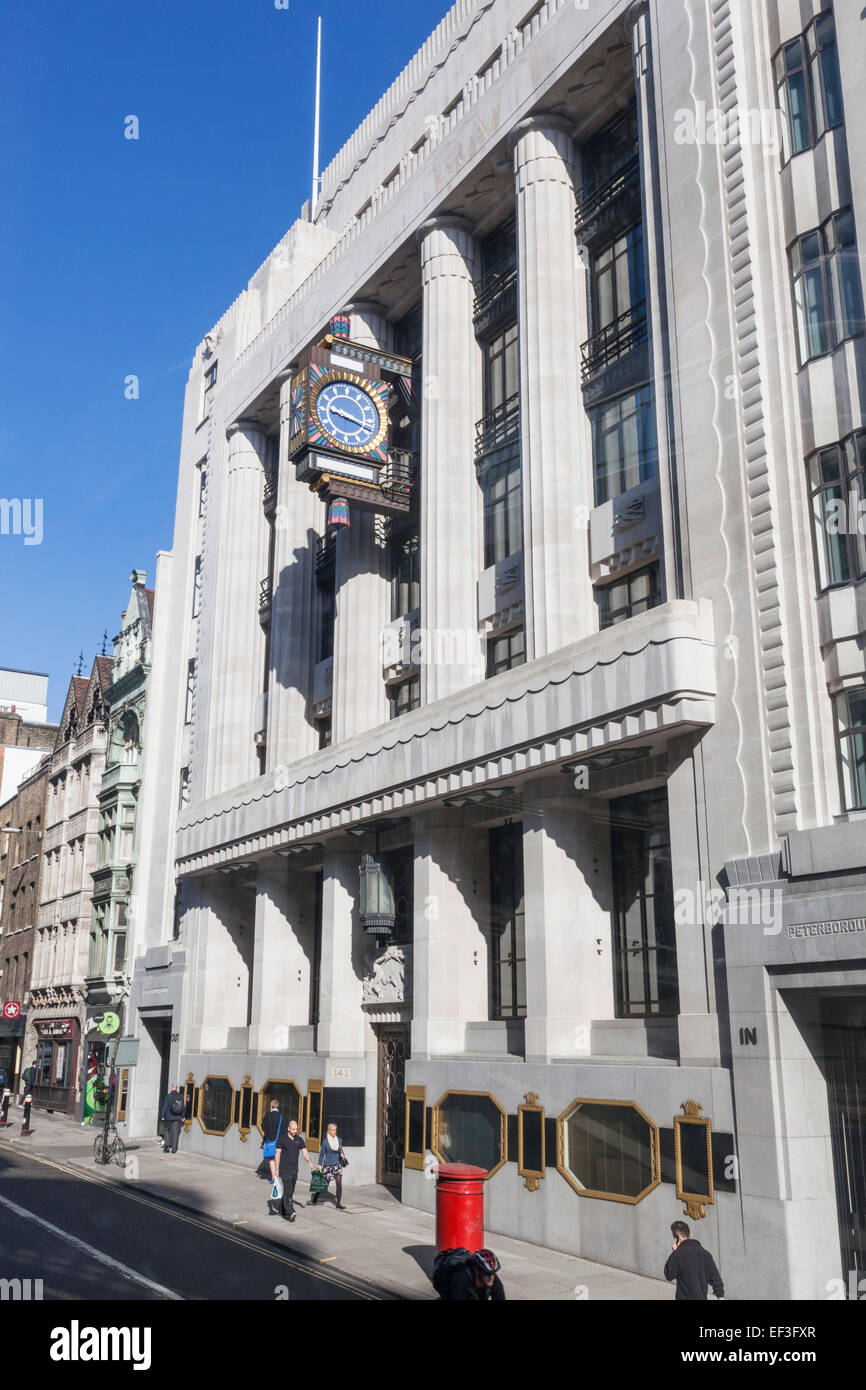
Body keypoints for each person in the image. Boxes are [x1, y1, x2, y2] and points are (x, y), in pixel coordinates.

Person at [664, 1221, 725, 1300]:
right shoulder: (706, 1254)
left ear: (677, 1238)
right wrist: (720, 1296)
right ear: (688, 1234)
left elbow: (669, 1275)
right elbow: (716, 1279)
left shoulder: (678, 1255)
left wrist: (674, 1253)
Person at [275, 1118, 313, 1222]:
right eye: (293, 1129)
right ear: (288, 1129)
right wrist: (276, 1168)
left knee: (290, 1191)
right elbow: (277, 1153)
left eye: (296, 1129)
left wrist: (309, 1162)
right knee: (288, 1190)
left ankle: (282, 1209)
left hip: (294, 1170)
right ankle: (291, 1212)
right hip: (284, 1169)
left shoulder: (299, 1140)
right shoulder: (282, 1139)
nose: (295, 1131)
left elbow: (304, 1152)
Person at [312, 1122, 347, 1210]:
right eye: (332, 1130)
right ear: (328, 1131)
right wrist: (320, 1164)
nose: (334, 1131)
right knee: (325, 1185)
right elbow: (322, 1154)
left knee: (339, 1183)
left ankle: (338, 1203)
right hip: (328, 1165)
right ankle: (316, 1196)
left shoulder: (339, 1140)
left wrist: (342, 1155)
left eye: (335, 1130)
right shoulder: (325, 1142)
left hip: (337, 1165)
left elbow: (340, 1150)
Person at [261, 1099, 283, 1213]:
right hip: (278, 1140)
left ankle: (274, 1176)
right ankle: (277, 1173)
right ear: (278, 1106)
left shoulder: (267, 1115)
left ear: (270, 1106)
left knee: (270, 1159)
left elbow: (263, 1126)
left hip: (269, 1141)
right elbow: (282, 1129)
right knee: (276, 1157)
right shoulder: (280, 1116)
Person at [160, 1081, 186, 1154]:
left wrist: (162, 1116)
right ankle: (174, 1149)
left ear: (172, 1088)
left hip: (168, 1117)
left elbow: (165, 1106)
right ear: (176, 1088)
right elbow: (183, 1107)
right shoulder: (180, 1096)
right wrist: (183, 1116)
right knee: (175, 1133)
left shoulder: (168, 1096)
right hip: (177, 1118)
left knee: (167, 1131)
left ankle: (167, 1146)